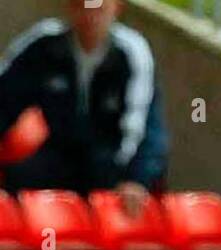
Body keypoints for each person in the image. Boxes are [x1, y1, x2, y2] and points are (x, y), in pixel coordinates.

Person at [0, 1, 169, 212]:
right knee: (18, 180)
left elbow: (145, 126)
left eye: (99, 7)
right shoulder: (43, 45)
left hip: (112, 165)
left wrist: (136, 178)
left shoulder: (131, 53)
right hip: (59, 157)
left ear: (116, 8)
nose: (90, 15)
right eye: (81, 5)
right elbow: (6, 99)